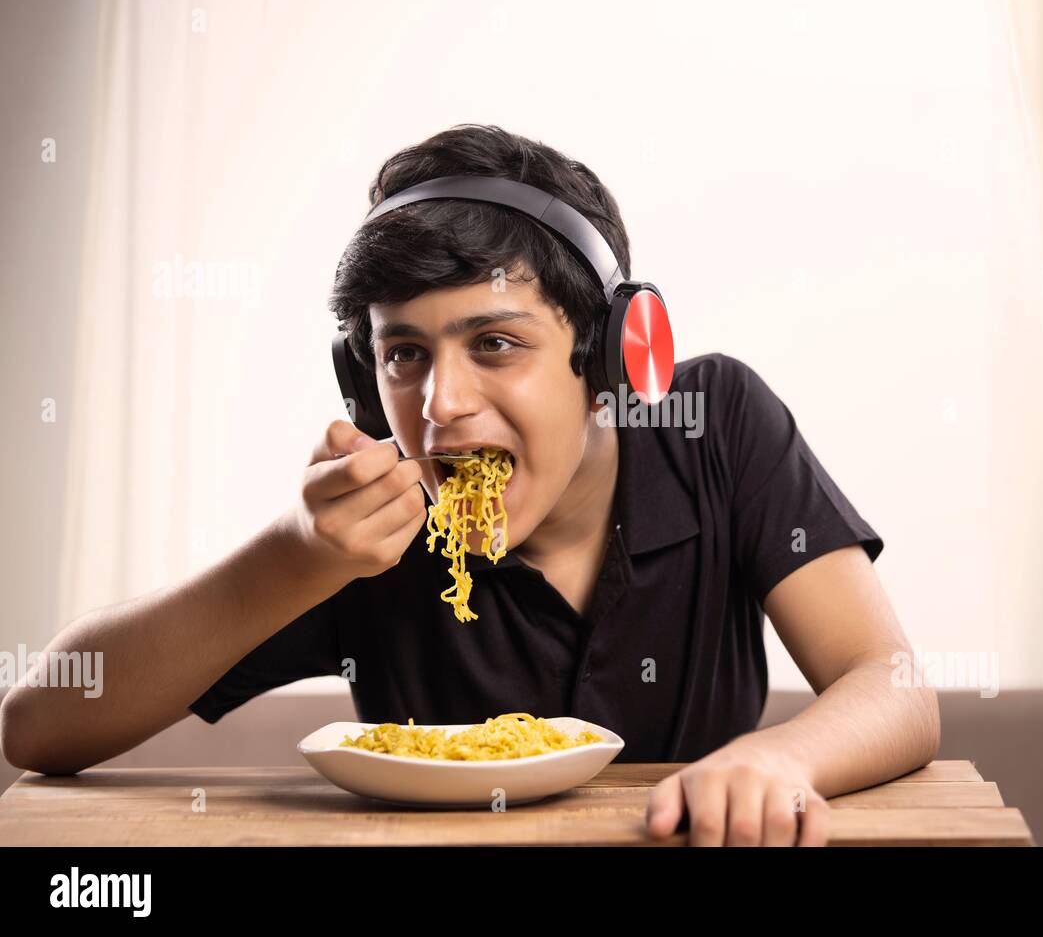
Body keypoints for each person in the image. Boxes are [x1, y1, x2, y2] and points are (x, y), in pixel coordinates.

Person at [0, 124, 939, 846]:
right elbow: (40, 727)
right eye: (403, 355)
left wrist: (778, 756)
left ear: (612, 357)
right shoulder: (367, 534)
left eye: (494, 343)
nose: (440, 404)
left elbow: (891, 684)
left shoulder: (717, 423)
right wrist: (289, 557)